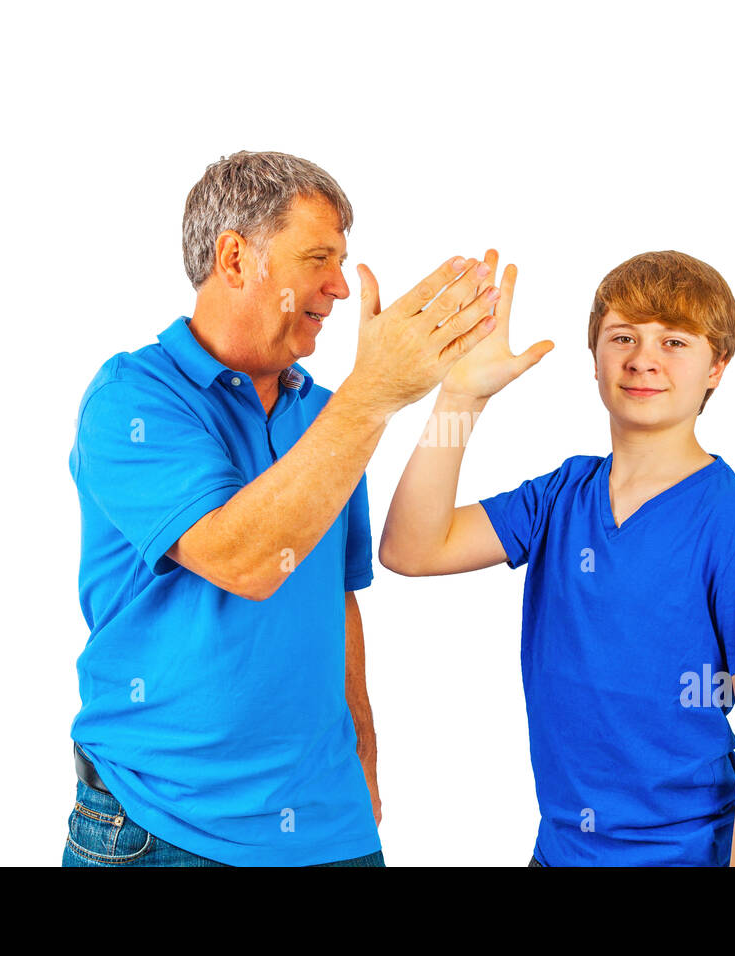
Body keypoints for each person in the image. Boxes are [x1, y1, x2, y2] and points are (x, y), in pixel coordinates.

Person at [64, 150, 504, 866]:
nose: (337, 286)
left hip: (329, 825)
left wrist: (363, 740)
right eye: (318, 258)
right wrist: (376, 392)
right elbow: (247, 560)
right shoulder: (132, 400)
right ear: (234, 258)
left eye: (342, 262)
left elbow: (334, 589)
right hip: (159, 827)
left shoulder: (325, 415)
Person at [379, 250, 735, 866]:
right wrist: (461, 397)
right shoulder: (560, 496)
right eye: (624, 337)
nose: (643, 359)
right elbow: (411, 548)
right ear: (596, 358)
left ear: (718, 366)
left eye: (675, 342)